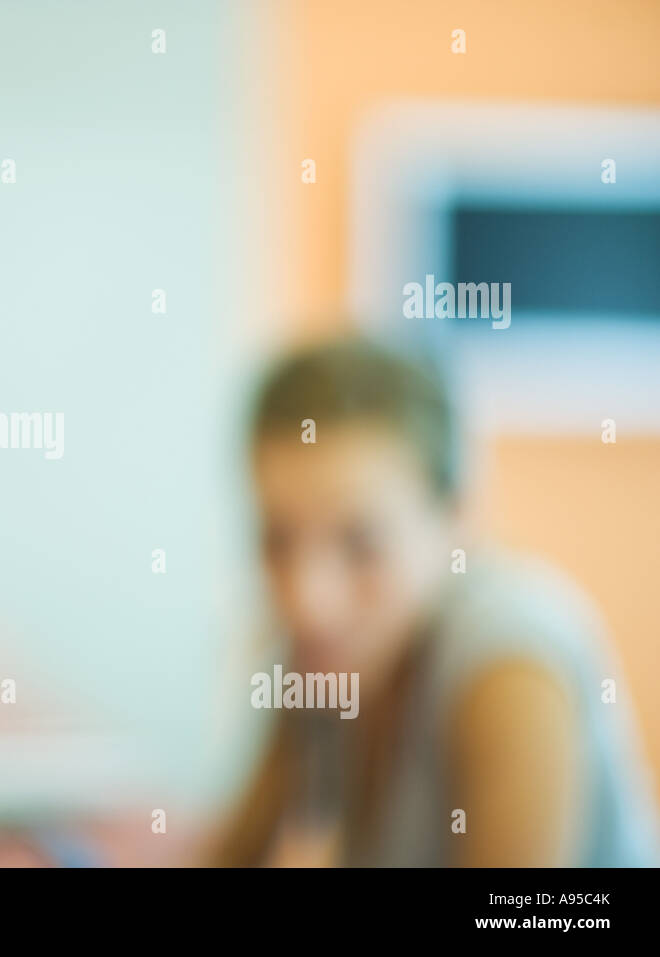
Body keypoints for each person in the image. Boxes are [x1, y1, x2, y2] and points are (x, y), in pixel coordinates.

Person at [202, 334, 660, 866]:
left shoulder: (510, 663)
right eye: (277, 539)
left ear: (457, 521)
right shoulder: (327, 658)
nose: (308, 599)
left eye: (361, 544)